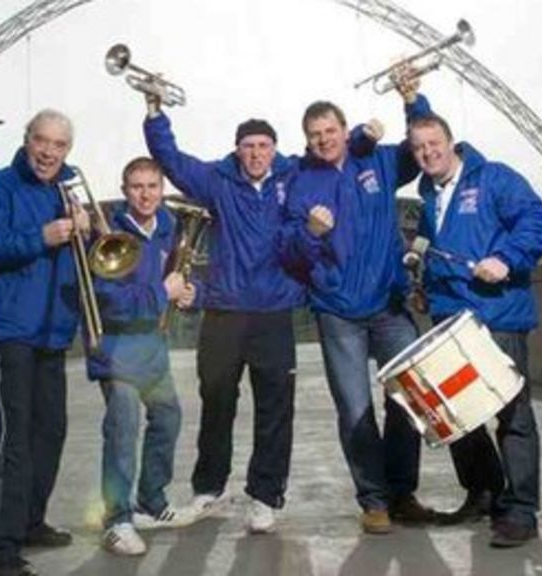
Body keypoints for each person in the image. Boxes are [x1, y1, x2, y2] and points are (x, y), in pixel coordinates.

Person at [143, 92, 312, 534]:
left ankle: (265, 495)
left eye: (263, 146)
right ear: (238, 149)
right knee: (217, 401)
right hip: (223, 312)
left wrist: (367, 135)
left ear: (275, 150)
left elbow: (335, 149)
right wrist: (155, 113)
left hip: (274, 313)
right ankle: (208, 488)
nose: (256, 153)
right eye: (248, 146)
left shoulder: (293, 176)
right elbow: (171, 160)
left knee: (276, 407)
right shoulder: (217, 180)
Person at [279, 74, 435, 535]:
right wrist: (311, 233)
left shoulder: (379, 161)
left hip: (388, 304)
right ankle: (374, 500)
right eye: (314, 135)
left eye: (330, 131)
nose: (324, 140)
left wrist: (412, 98)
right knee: (354, 409)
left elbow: (422, 145)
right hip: (337, 310)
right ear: (306, 140)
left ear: (344, 129)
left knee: (409, 397)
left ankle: (403, 493)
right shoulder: (300, 182)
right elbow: (288, 249)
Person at [406, 112, 542, 547]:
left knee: (512, 416)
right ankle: (485, 492)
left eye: (434, 143)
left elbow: (539, 224)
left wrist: (506, 258)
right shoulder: (430, 198)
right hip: (451, 321)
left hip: (498, 316)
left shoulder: (494, 179)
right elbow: (435, 250)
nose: (428, 153)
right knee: (458, 417)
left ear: (452, 143)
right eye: (419, 148)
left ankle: (522, 510)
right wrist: (421, 283)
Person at [0, 109, 87, 576]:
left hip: (51, 331)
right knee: (8, 441)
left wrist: (87, 236)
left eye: (59, 145)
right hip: (7, 329)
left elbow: (86, 263)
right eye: (42, 141)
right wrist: (41, 236)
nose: (49, 152)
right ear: (27, 139)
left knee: (49, 432)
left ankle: (29, 522)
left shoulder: (68, 192)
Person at [87, 157, 197, 556]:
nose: (145, 194)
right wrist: (161, 294)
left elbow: (176, 281)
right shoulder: (108, 234)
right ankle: (116, 520)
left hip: (152, 350)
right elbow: (110, 301)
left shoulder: (170, 227)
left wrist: (187, 294)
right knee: (123, 428)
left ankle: (151, 501)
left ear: (162, 188)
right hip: (116, 351)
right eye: (137, 186)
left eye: (152, 186)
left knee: (168, 418)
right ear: (124, 189)